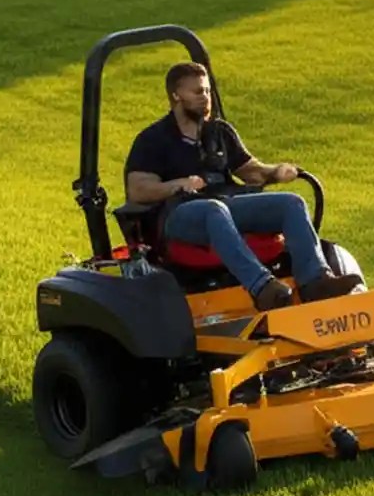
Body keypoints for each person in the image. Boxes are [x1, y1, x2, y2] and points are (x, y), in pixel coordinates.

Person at [124, 61, 362, 311]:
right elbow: (138, 190)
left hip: (225, 206)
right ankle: (263, 288)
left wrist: (275, 172)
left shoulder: (219, 132)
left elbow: (252, 172)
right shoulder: (153, 139)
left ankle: (315, 282)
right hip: (180, 214)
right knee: (213, 209)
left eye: (206, 91)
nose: (205, 97)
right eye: (197, 92)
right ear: (176, 96)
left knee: (291, 203)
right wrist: (179, 184)